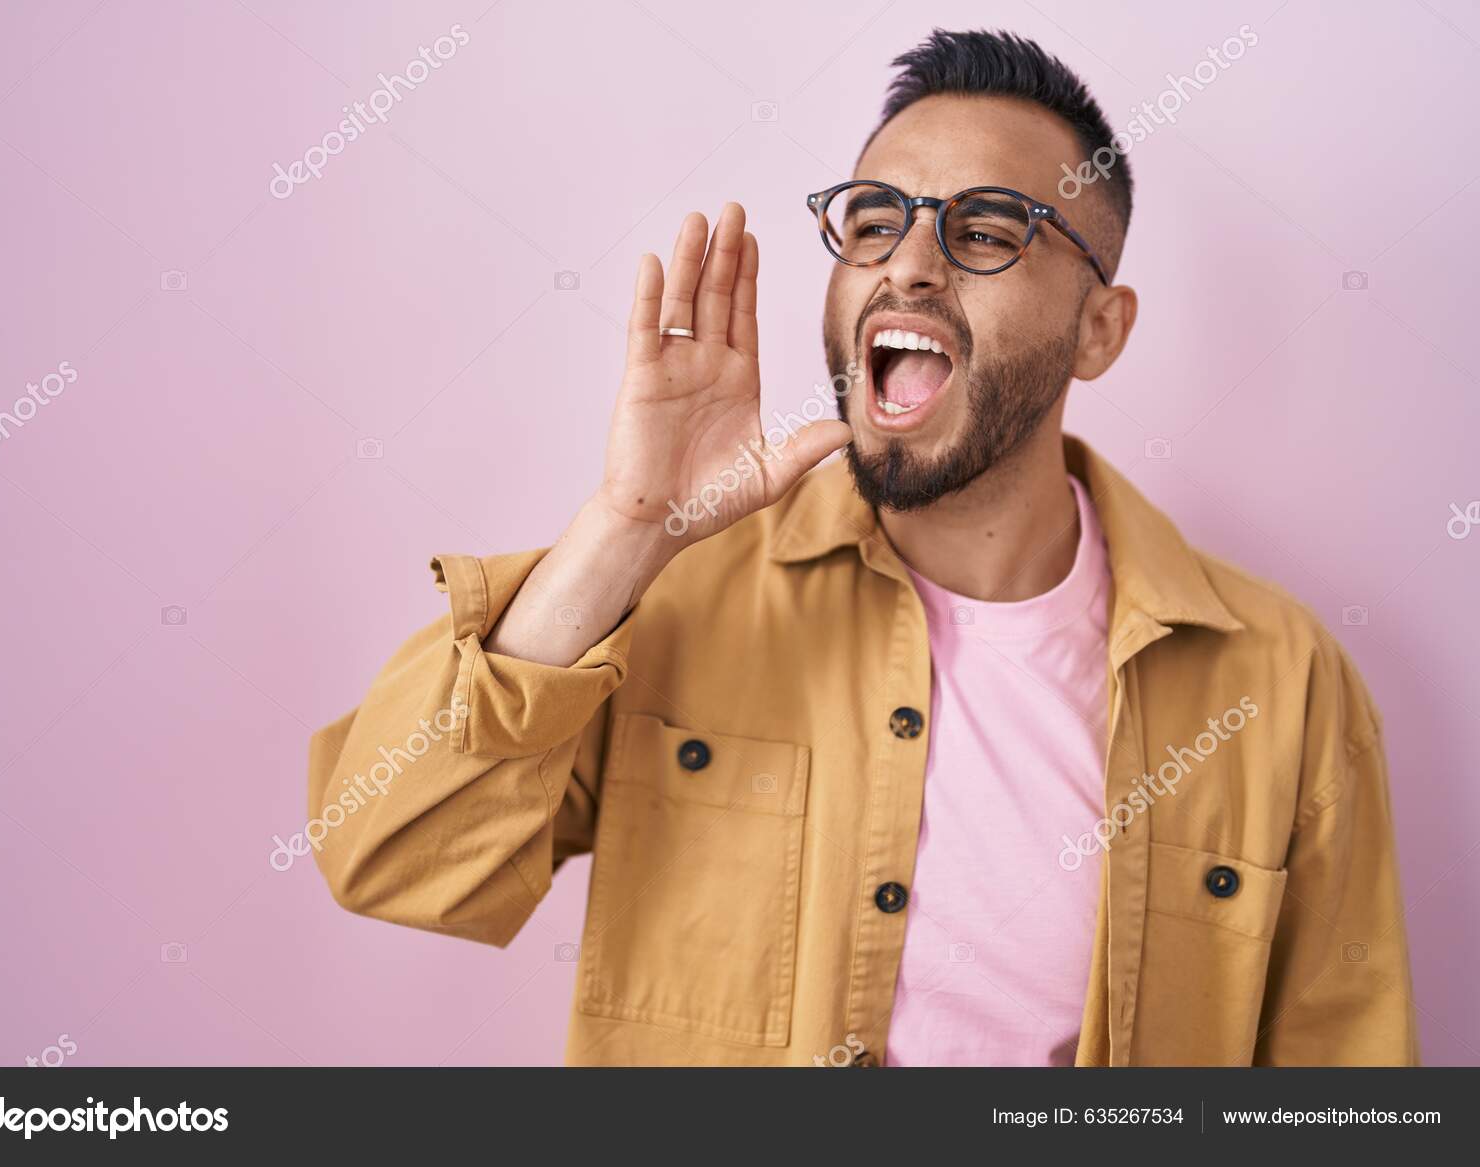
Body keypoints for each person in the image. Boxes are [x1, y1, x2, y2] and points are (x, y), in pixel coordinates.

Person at [308, 29, 1417, 1066]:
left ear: (1098, 330)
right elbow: (384, 856)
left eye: (987, 231)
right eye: (877, 221)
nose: (911, 264)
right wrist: (626, 532)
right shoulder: (673, 595)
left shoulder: (1280, 681)